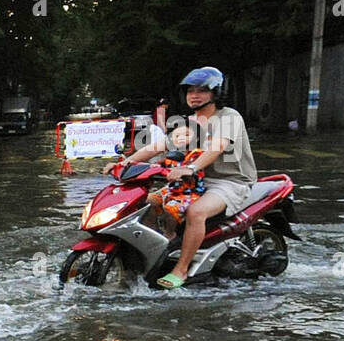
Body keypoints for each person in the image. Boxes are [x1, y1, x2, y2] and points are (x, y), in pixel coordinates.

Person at [108, 67, 257, 290]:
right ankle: (161, 249)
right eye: (190, 91)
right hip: (192, 181)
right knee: (146, 203)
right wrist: (125, 163)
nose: (194, 95)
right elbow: (157, 147)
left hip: (230, 181)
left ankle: (182, 268)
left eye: (201, 91)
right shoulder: (189, 123)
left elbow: (217, 147)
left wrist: (192, 166)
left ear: (215, 93)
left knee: (196, 212)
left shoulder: (229, 117)